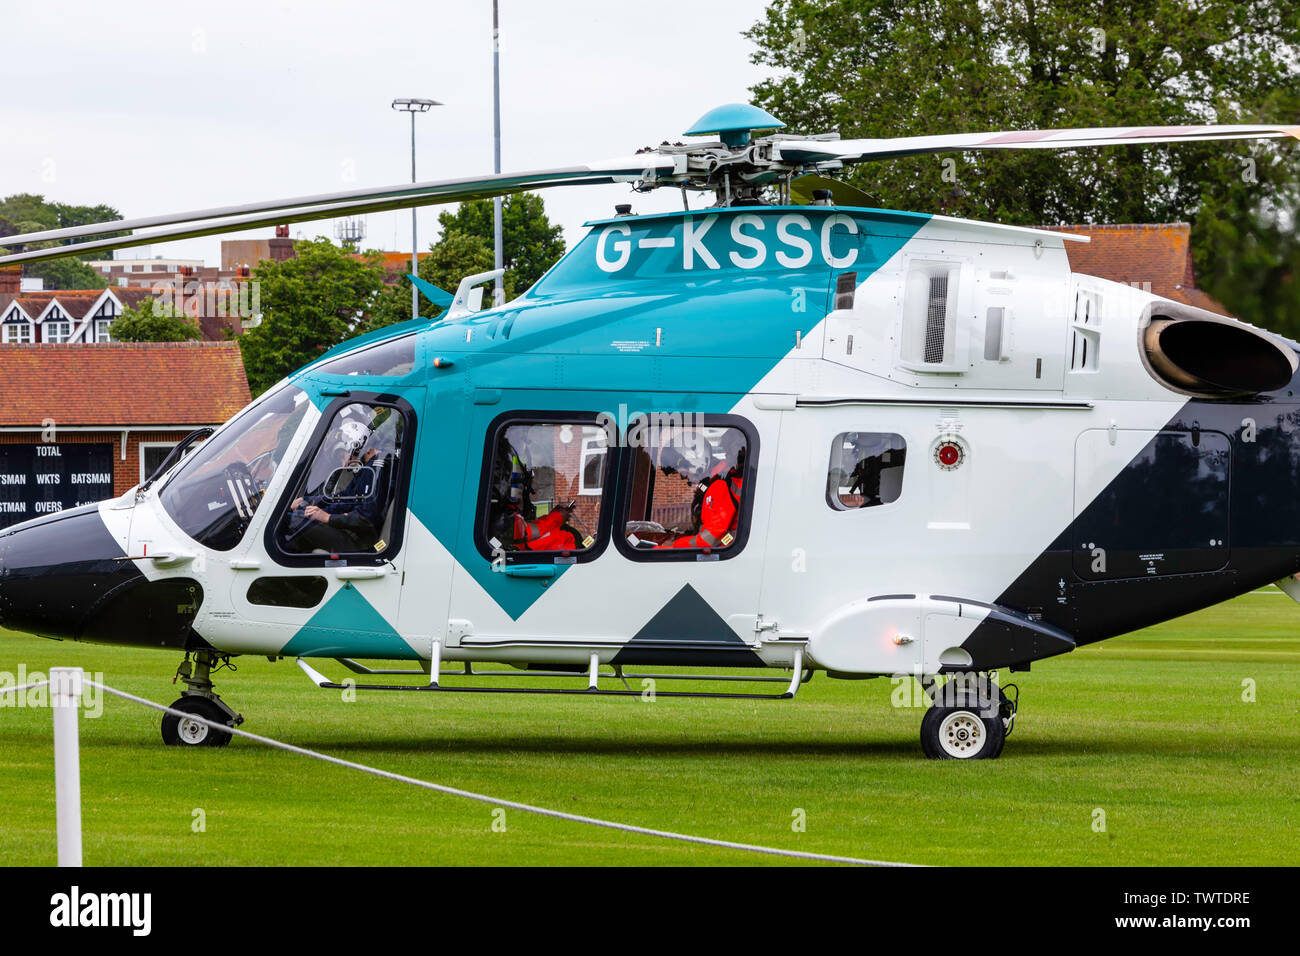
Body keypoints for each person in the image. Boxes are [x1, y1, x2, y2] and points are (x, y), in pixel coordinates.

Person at [287, 412, 398, 553]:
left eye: (343, 455)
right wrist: (309, 504)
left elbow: (367, 519)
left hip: (363, 542)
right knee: (295, 517)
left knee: (295, 521)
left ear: (357, 446)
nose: (344, 464)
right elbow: (344, 498)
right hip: (357, 534)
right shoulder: (366, 469)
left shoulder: (376, 469)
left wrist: (328, 518)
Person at [658, 431, 745, 550]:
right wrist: (684, 536)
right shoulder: (707, 484)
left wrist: (673, 545)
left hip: (726, 554)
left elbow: (711, 539)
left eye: (682, 471)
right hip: (724, 549)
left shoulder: (720, 483)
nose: (683, 477)